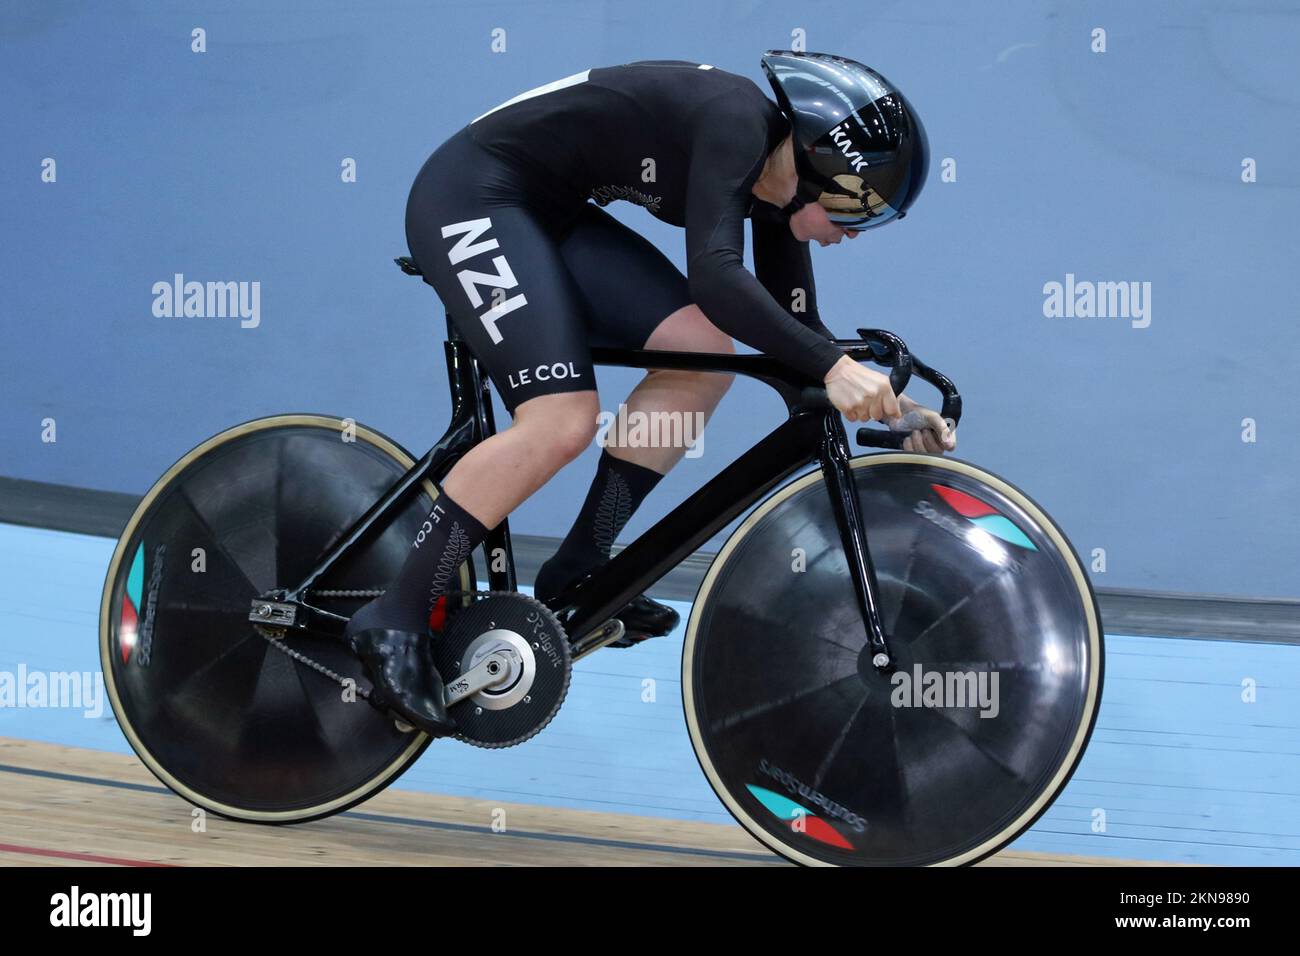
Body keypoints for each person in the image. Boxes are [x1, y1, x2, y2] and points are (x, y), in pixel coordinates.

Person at [346, 51, 955, 736]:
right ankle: (393, 615)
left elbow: (798, 334)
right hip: (471, 196)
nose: (852, 233)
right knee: (561, 421)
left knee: (702, 356)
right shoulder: (735, 123)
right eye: (856, 209)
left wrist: (895, 412)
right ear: (820, 170)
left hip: (545, 213)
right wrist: (836, 370)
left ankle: (579, 566)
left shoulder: (774, 187)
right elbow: (719, 280)